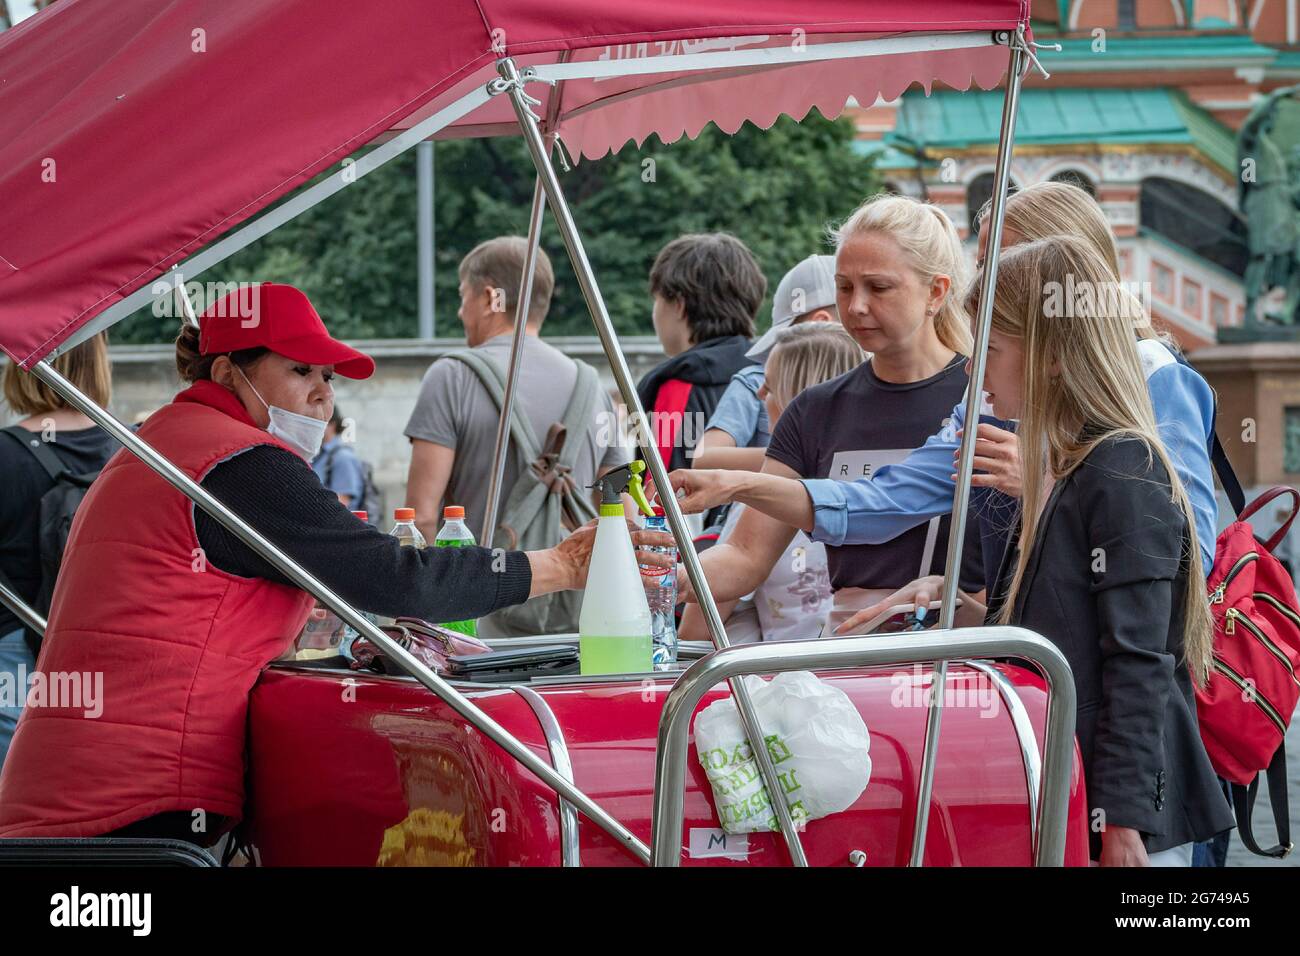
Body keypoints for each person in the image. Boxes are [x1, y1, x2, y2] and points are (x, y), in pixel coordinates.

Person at [0, 283, 668, 845]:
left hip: (67, 784)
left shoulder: (163, 443)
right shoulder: (239, 464)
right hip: (131, 799)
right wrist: (559, 565)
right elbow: (394, 577)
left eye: (327, 377)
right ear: (229, 371)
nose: (324, 394)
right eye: (300, 371)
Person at [661, 182, 1220, 624]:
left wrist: (1048, 487)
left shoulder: (1153, 374)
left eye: (1010, 265)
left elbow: (1186, 552)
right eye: (991, 265)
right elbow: (879, 502)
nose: (990, 285)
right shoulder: (984, 398)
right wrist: (736, 486)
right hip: (1034, 661)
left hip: (1125, 668)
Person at [923, 236, 1234, 865]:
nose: (972, 370)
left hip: (1122, 813)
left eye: (993, 350)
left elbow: (1139, 661)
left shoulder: (1123, 468)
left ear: (1055, 359)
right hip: (1086, 786)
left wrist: (1119, 822)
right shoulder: (1079, 464)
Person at [656, 195, 983, 625]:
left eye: (878, 287)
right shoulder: (816, 409)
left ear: (935, 292)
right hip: (851, 654)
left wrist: (736, 482)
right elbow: (745, 554)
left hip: (962, 652)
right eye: (844, 287)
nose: (857, 306)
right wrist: (660, 581)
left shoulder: (982, 399)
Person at [405, 236, 628, 545]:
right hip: (575, 589)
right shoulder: (594, 388)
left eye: (462, 297)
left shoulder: (451, 377)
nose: (459, 312)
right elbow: (622, 511)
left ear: (487, 299)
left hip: (481, 588)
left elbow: (422, 518)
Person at [678, 322, 862, 644]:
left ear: (798, 402)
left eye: (770, 386)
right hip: (872, 671)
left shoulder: (760, 497)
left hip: (786, 682)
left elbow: (699, 628)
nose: (761, 395)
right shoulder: (882, 482)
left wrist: (657, 579)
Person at [0, 334, 117, 769]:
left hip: (13, 660)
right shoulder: (131, 451)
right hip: (105, 655)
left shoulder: (5, 453)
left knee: (14, 813)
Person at [692, 255, 838, 472]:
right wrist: (795, 454)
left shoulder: (868, 384)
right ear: (818, 324)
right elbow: (705, 458)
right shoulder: (755, 382)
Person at [635, 233, 765, 475]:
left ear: (678, 305)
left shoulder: (677, 385)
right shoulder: (769, 373)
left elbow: (658, 491)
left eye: (657, 299)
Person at [312, 407, 365, 509]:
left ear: (332, 424)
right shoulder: (321, 455)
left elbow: (343, 502)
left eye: (317, 422)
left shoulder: (342, 457)